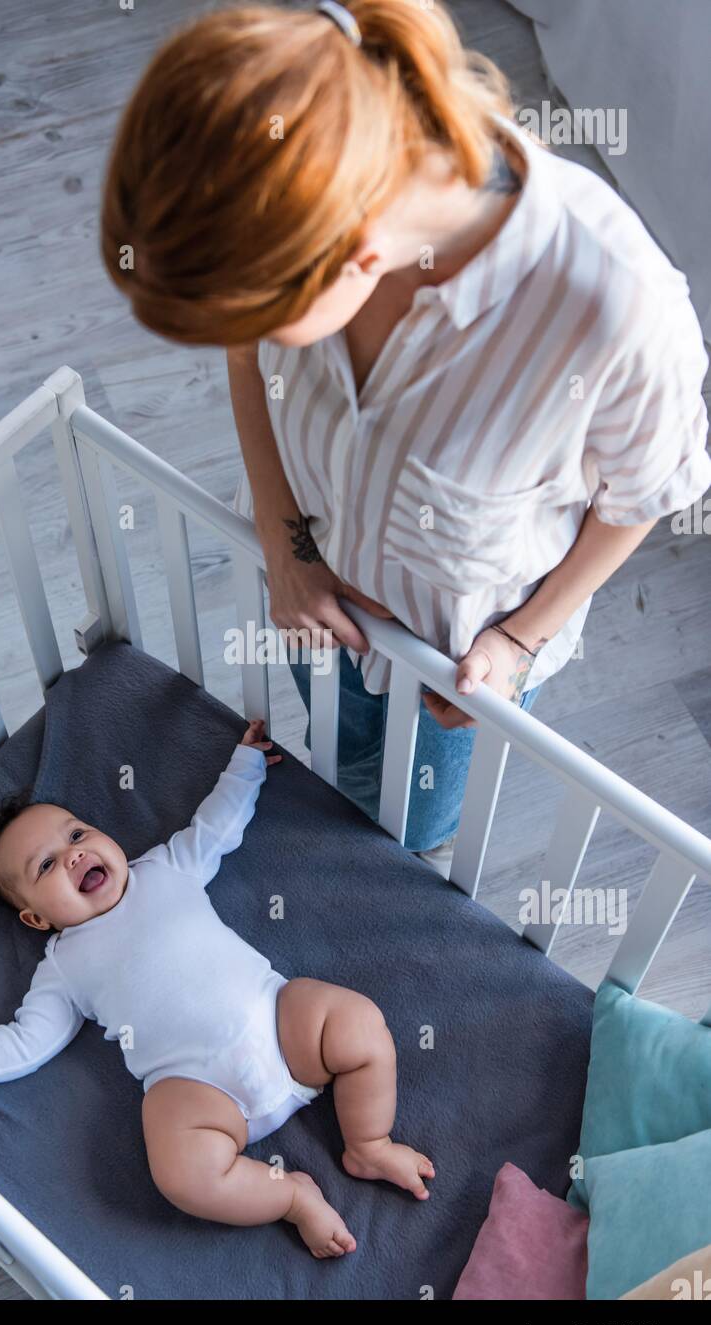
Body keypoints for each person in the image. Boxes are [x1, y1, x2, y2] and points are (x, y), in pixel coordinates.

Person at [99, 1, 711, 873]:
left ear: (353, 259)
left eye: (273, 315)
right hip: (313, 600)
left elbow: (638, 499)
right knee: (341, 757)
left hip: (452, 667)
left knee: (407, 823)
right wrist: (286, 546)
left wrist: (518, 641)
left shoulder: (613, 312)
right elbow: (249, 357)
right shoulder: (319, 184)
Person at [0, 721, 436, 1260]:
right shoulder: (63, 967)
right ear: (35, 919)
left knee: (356, 1023)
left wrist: (244, 769)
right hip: (200, 1094)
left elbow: (216, 828)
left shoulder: (165, 868)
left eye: (76, 835)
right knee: (179, 1174)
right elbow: (27, 1040)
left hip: (279, 1024)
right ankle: (291, 1196)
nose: (74, 855)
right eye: (48, 865)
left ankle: (368, 1144)